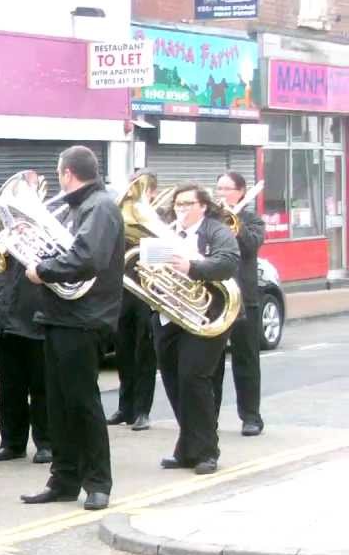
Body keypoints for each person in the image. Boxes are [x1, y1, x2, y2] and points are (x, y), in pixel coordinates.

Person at [21, 146, 123, 511]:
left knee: (82, 403)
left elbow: (88, 258)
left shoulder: (100, 206)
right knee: (58, 404)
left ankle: (98, 482)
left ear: (66, 173)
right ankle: (64, 479)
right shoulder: (76, 208)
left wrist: (43, 270)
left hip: (84, 319)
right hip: (60, 316)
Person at [156, 184, 240, 475]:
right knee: (173, 382)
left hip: (206, 316)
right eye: (178, 204)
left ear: (203, 206)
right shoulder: (168, 232)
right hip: (169, 315)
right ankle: (187, 447)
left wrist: (191, 266)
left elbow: (228, 262)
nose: (181, 209)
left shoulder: (216, 231)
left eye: (188, 204)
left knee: (194, 379)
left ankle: (207, 451)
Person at [0, 230, 52, 464]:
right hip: (5, 317)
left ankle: (46, 442)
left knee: (41, 386)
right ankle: (11, 442)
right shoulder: (7, 234)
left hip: (35, 316)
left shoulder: (49, 232)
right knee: (9, 387)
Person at [212, 171, 266, 437]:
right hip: (217, 299)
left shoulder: (252, 219)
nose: (221, 193)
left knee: (246, 361)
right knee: (212, 363)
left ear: (241, 191)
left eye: (227, 188)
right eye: (219, 187)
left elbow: (251, 247)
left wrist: (236, 224)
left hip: (245, 299)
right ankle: (209, 418)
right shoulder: (210, 219)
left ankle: (251, 417)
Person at [108, 171, 159, 433]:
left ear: (152, 192)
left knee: (144, 352)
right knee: (123, 350)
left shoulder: (162, 217)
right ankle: (124, 405)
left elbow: (166, 253)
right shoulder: (123, 215)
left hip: (148, 291)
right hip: (124, 288)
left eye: (142, 188)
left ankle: (142, 410)